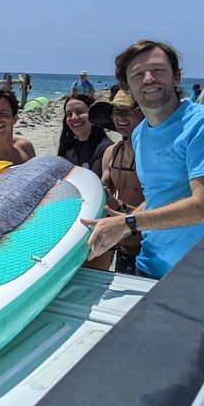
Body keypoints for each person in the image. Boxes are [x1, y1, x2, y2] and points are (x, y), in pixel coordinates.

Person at [81, 40, 204, 280]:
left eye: (157, 70)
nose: (148, 78)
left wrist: (130, 223)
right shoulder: (140, 134)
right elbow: (158, 196)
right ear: (127, 87)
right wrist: (123, 219)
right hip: (150, 264)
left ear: (176, 77)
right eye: (137, 74)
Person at [88, 90, 146, 274]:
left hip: (147, 241)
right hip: (121, 241)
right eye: (116, 111)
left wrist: (119, 207)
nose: (121, 117)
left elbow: (160, 200)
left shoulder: (150, 155)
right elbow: (101, 188)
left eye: (128, 111)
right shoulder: (112, 152)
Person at [57, 93, 113, 178]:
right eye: (69, 114)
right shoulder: (68, 147)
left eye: (79, 112)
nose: (74, 117)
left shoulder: (105, 148)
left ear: (93, 114)